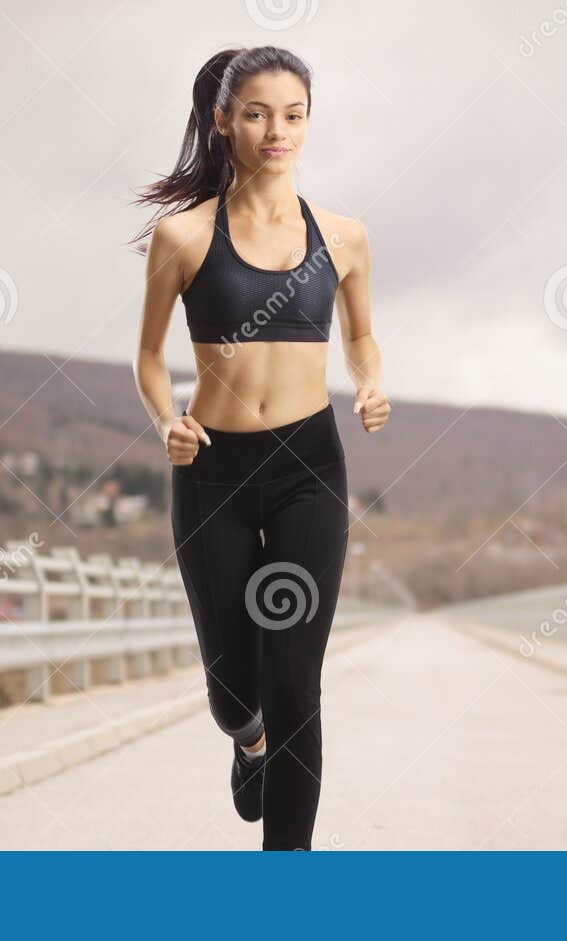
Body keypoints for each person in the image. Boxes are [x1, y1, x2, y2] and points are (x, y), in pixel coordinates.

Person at [132, 46, 390, 850]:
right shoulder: (183, 236)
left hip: (309, 466)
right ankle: (248, 742)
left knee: (296, 684)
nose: (277, 131)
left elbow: (361, 336)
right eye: (256, 114)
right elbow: (148, 356)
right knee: (232, 688)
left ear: (308, 122)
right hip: (214, 469)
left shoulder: (343, 236)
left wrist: (369, 383)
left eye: (293, 115)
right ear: (223, 121)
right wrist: (165, 422)